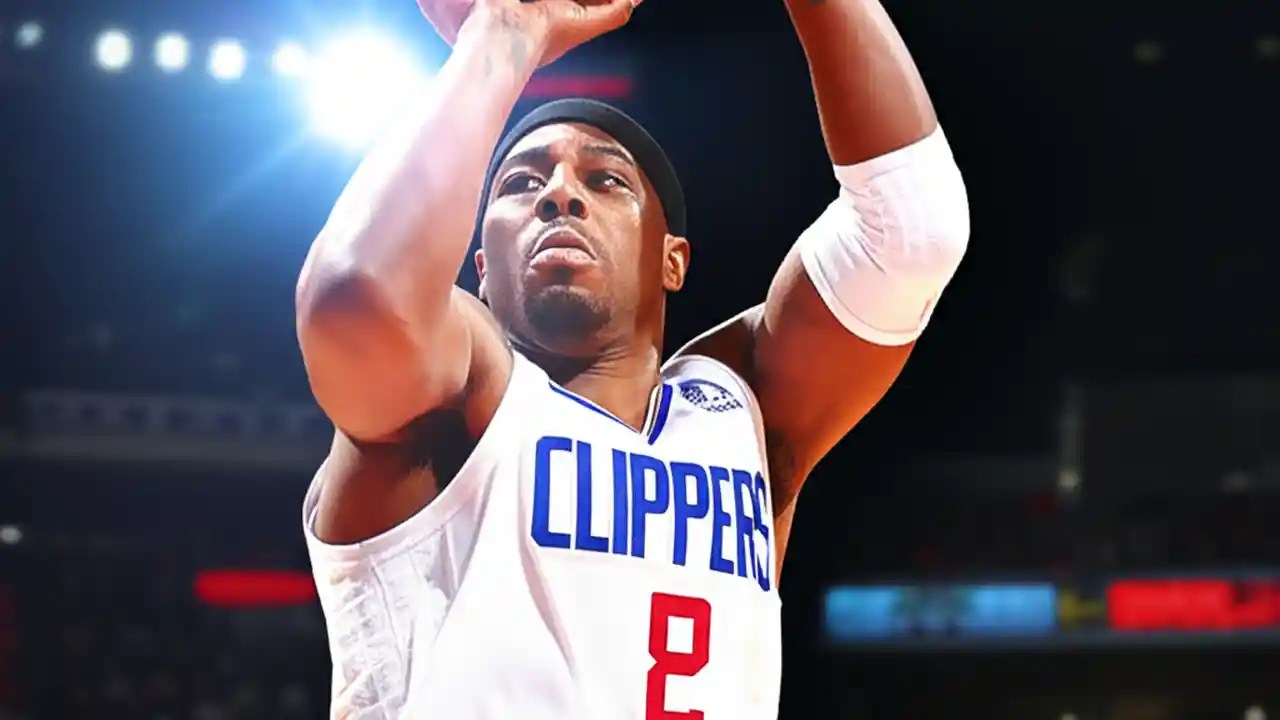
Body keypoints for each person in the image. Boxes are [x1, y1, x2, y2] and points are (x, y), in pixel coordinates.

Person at [294, 0, 969, 717]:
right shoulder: (458, 400)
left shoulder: (739, 407)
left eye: (605, 181)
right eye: (521, 183)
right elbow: (355, 295)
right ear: (481, 268)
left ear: (672, 259)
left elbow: (912, 234)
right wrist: (503, 34)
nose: (559, 195)